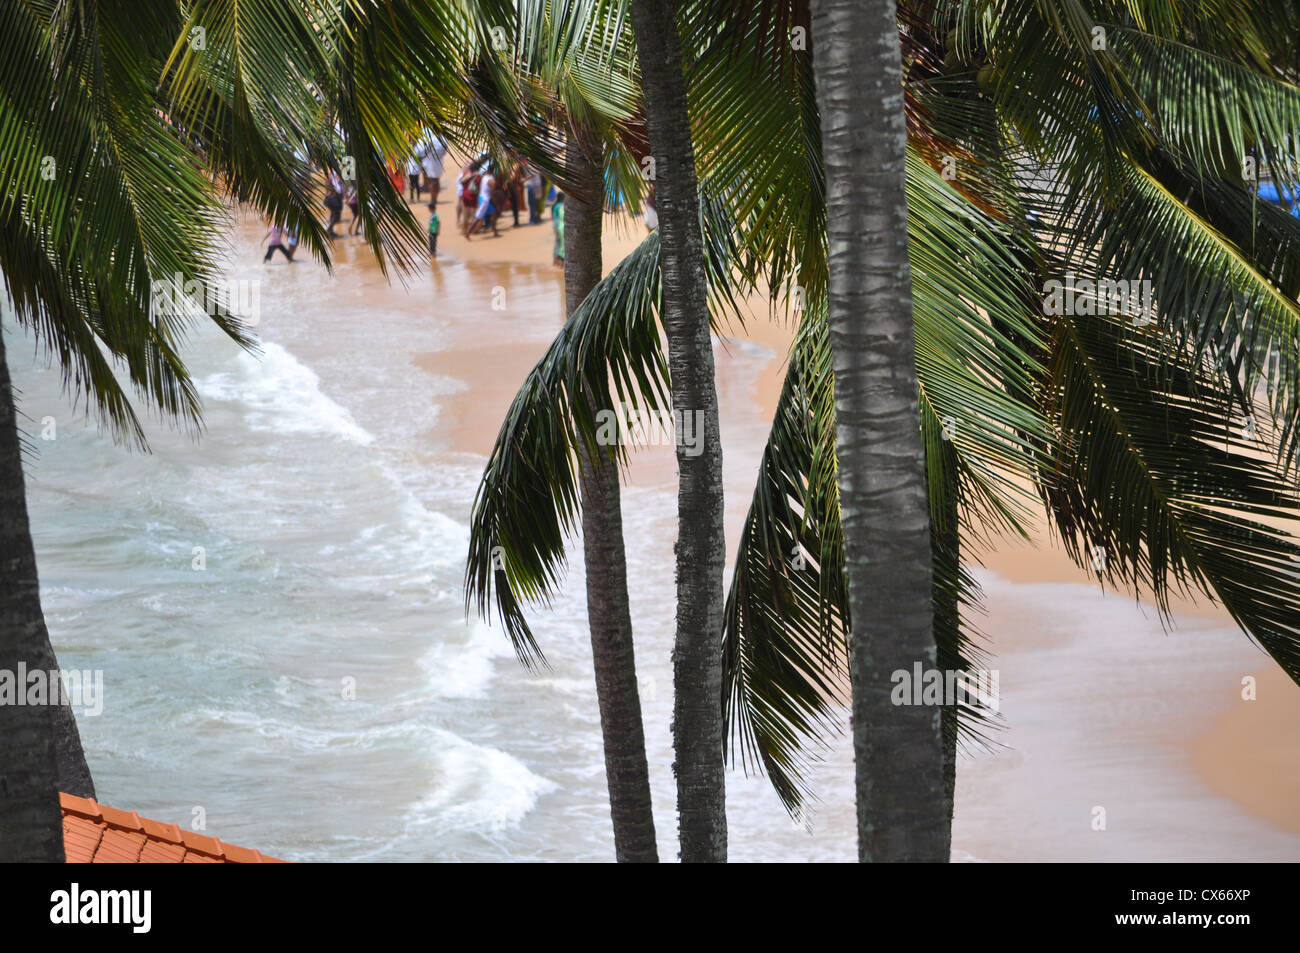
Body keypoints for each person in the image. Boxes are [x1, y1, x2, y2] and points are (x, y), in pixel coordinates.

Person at [421, 134, 447, 206]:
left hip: (431, 161)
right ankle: (435, 199)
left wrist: (421, 156)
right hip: (439, 161)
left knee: (432, 181)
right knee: (436, 180)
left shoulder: (431, 138)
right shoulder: (443, 138)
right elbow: (445, 150)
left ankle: (433, 200)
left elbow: (425, 149)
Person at [324, 171, 344, 237]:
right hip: (333, 198)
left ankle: (331, 232)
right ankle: (329, 229)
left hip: (329, 197)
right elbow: (338, 188)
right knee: (336, 216)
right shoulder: (333, 176)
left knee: (333, 214)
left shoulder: (329, 175)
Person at [552, 192, 565, 268]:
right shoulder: (560, 206)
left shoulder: (555, 206)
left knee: (558, 243)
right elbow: (562, 216)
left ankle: (555, 261)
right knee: (562, 244)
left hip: (556, 225)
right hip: (560, 226)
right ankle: (561, 263)